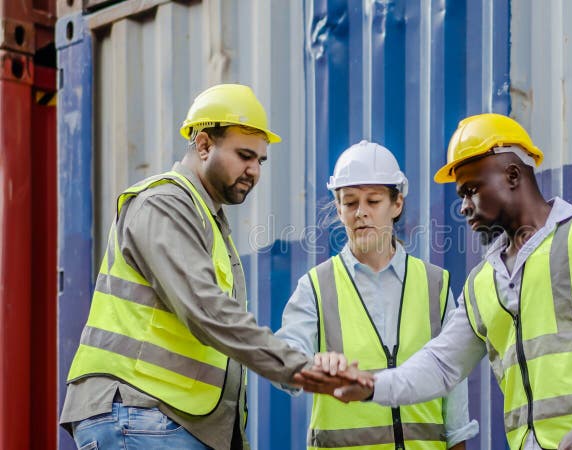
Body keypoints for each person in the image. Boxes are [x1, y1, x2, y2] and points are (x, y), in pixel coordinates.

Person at [309, 114, 572, 450]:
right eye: (461, 194)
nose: (463, 206)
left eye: (472, 190)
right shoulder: (483, 282)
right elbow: (440, 366)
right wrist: (370, 386)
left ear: (513, 175)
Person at [59, 84, 358, 450]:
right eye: (244, 155)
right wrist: (298, 367)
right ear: (203, 146)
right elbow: (206, 311)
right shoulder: (163, 205)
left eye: (260, 161)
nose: (254, 171)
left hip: (167, 419)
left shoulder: (207, 221)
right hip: (139, 414)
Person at [276, 140, 478, 449]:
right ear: (338, 209)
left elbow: (454, 389)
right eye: (350, 202)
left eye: (373, 201)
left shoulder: (435, 284)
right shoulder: (315, 287)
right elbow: (284, 363)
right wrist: (313, 364)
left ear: (397, 204)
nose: (361, 213)